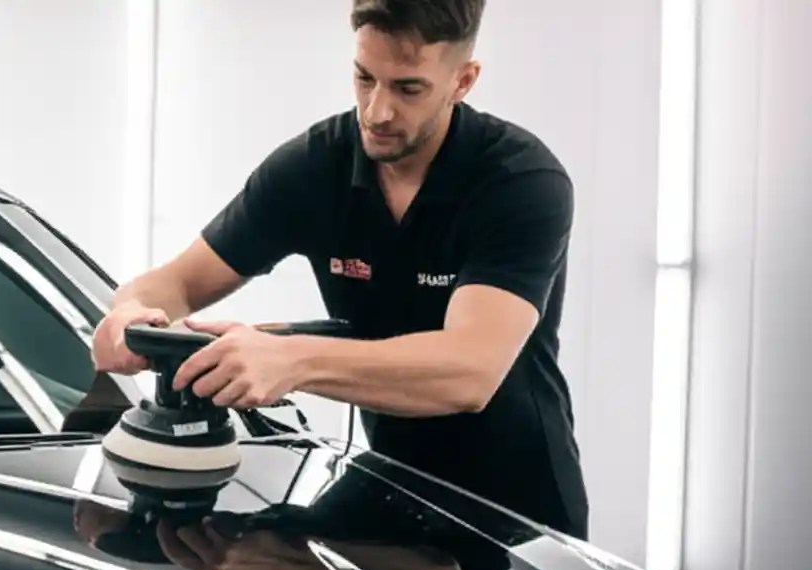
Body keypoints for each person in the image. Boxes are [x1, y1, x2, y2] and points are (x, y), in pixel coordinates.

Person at [91, 0, 588, 541]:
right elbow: (177, 283)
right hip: (390, 485)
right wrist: (131, 310)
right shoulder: (313, 167)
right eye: (364, 77)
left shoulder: (521, 182)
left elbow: (469, 371)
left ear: (463, 80)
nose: (377, 111)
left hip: (519, 508)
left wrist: (291, 360)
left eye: (408, 88)